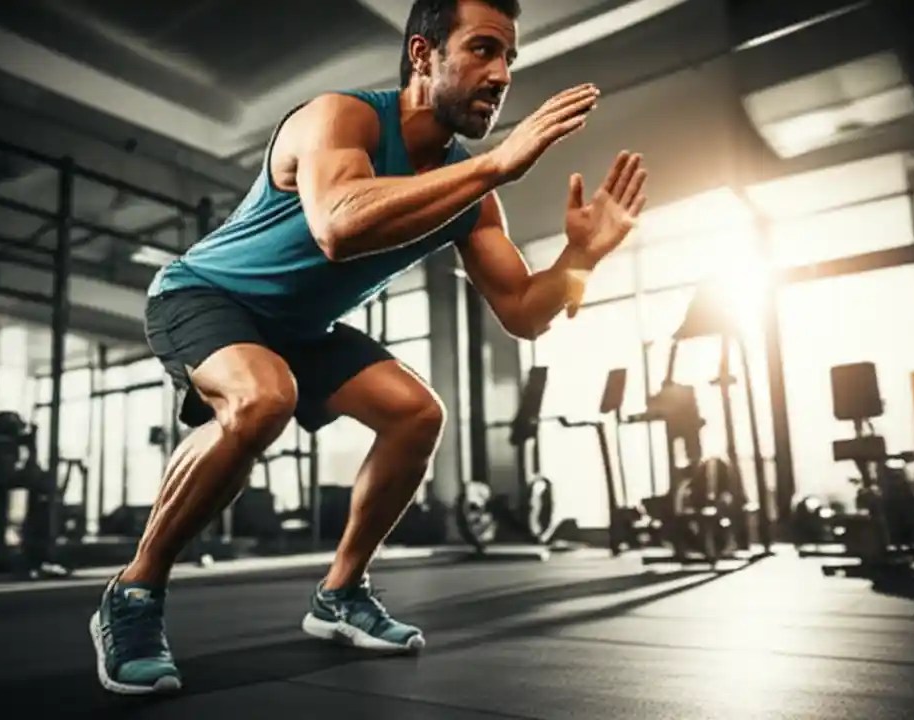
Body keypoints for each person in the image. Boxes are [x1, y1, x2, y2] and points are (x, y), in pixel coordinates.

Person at [90, 0, 649, 695]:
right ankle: (135, 590)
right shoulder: (341, 117)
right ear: (422, 55)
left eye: (510, 59)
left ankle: (341, 593)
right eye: (482, 50)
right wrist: (497, 166)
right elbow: (337, 226)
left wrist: (581, 257)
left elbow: (524, 314)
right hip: (203, 295)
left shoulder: (473, 195)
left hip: (302, 329)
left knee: (418, 414)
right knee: (264, 398)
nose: (502, 74)